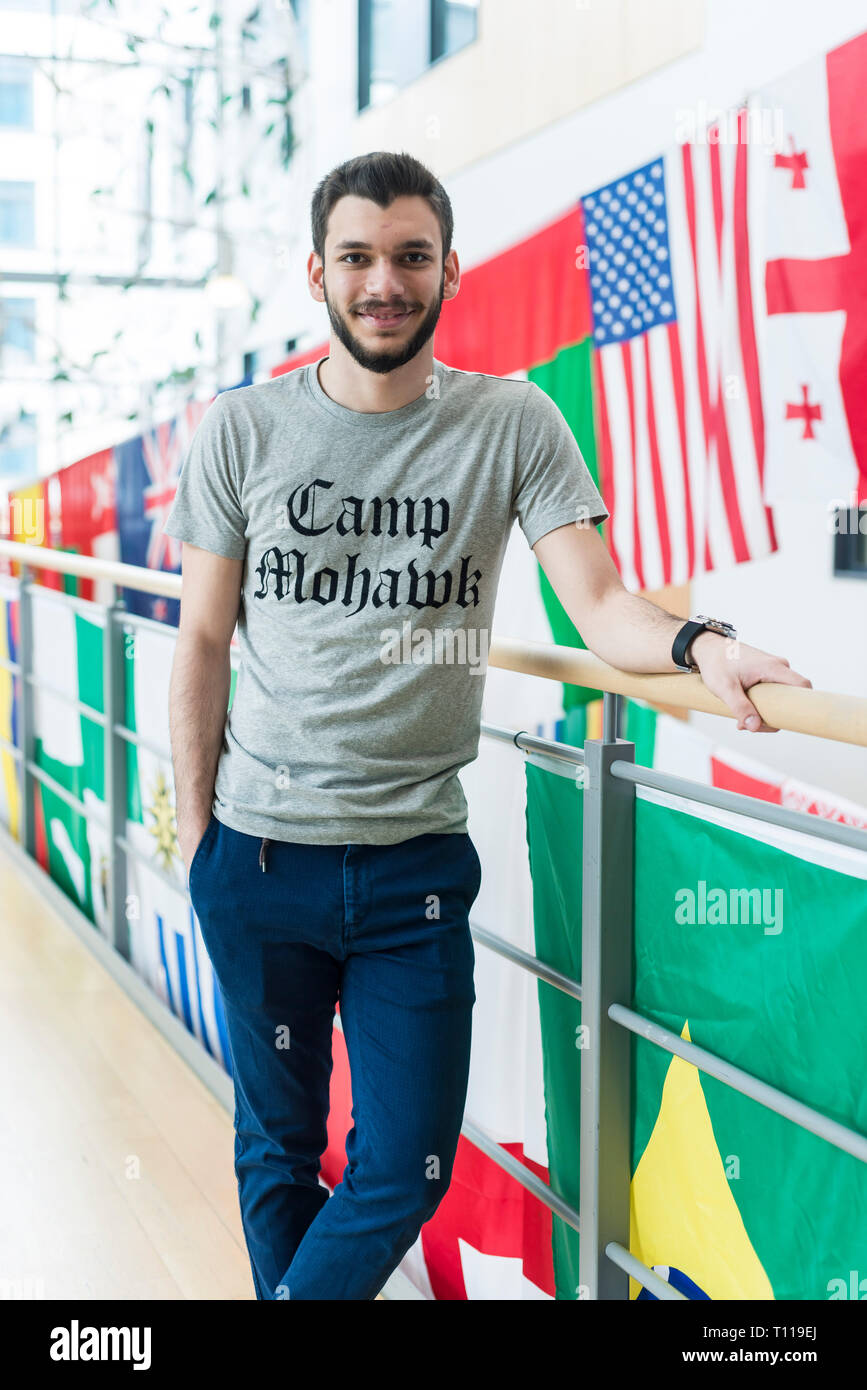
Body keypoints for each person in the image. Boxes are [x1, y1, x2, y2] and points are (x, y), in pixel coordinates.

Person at [163, 149, 811, 1301]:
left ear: (448, 270)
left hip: (413, 869)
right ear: (318, 271)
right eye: (357, 257)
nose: (384, 282)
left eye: (411, 257)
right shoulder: (242, 430)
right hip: (261, 858)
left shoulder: (511, 423)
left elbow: (602, 603)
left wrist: (702, 644)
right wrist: (201, 834)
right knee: (274, 1145)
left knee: (406, 1166)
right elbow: (204, 637)